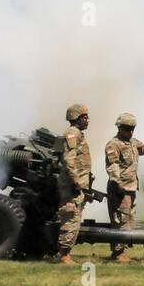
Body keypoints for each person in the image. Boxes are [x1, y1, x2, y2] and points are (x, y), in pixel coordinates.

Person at [104, 113, 144, 262]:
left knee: (129, 221)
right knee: (121, 221)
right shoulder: (114, 144)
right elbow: (112, 166)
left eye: (132, 128)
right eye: (127, 128)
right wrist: (117, 184)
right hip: (120, 189)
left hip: (131, 188)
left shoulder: (131, 143)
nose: (130, 131)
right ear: (119, 128)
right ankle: (118, 254)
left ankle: (122, 252)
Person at [55, 103, 93, 264]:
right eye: (84, 117)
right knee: (71, 217)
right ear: (75, 118)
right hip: (72, 187)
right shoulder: (72, 134)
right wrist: (77, 182)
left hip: (76, 185)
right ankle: (64, 256)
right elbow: (69, 161)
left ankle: (65, 254)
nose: (87, 120)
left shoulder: (77, 134)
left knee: (74, 217)